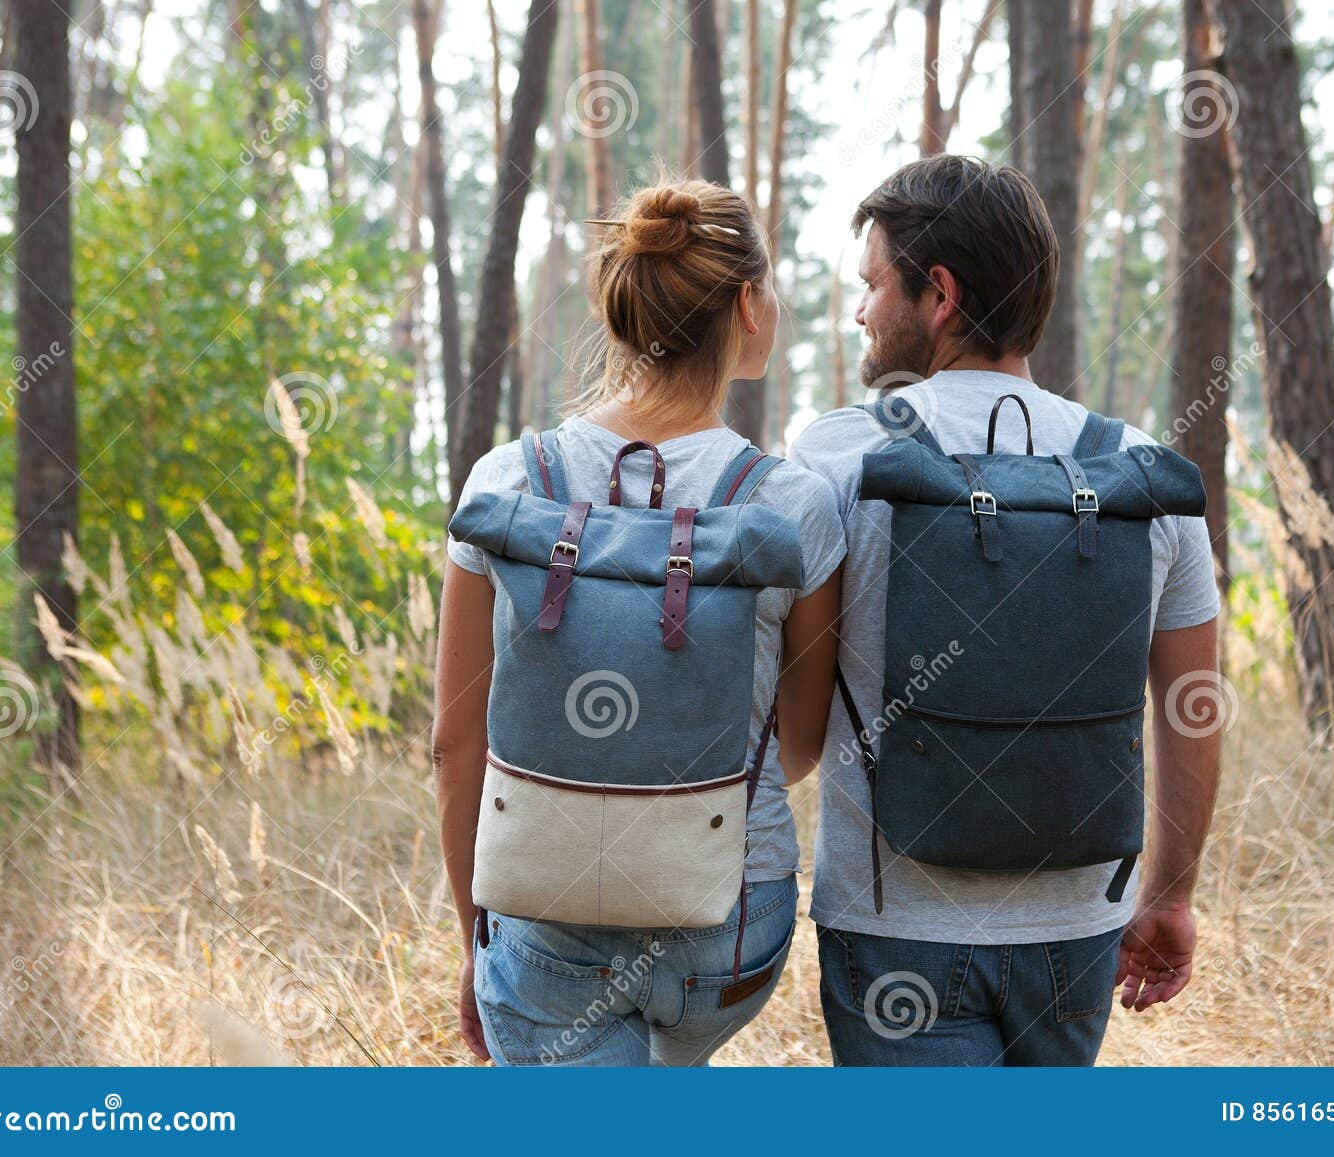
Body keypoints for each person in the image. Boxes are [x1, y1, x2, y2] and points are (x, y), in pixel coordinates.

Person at [787, 154, 1224, 1066]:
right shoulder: (1140, 472)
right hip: (1077, 925)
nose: (860, 312)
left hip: (893, 921)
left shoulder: (836, 458)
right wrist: (1171, 893)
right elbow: (1195, 707)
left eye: (873, 285)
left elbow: (791, 703)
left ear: (938, 294)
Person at [432, 177, 845, 1066]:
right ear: (747, 306)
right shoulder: (793, 504)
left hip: (543, 911)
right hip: (730, 926)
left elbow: (452, 742)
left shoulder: (506, 482)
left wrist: (480, 937)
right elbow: (799, 743)